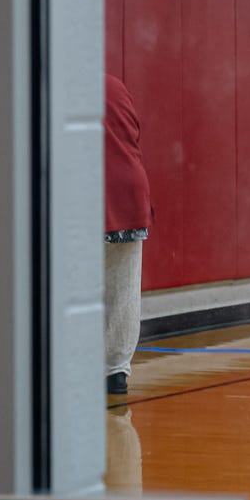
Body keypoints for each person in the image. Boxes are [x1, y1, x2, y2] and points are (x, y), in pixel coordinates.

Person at [104, 74, 153, 396]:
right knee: (122, 290)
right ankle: (115, 372)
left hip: (88, 195)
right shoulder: (115, 84)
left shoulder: (54, 86)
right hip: (130, 192)